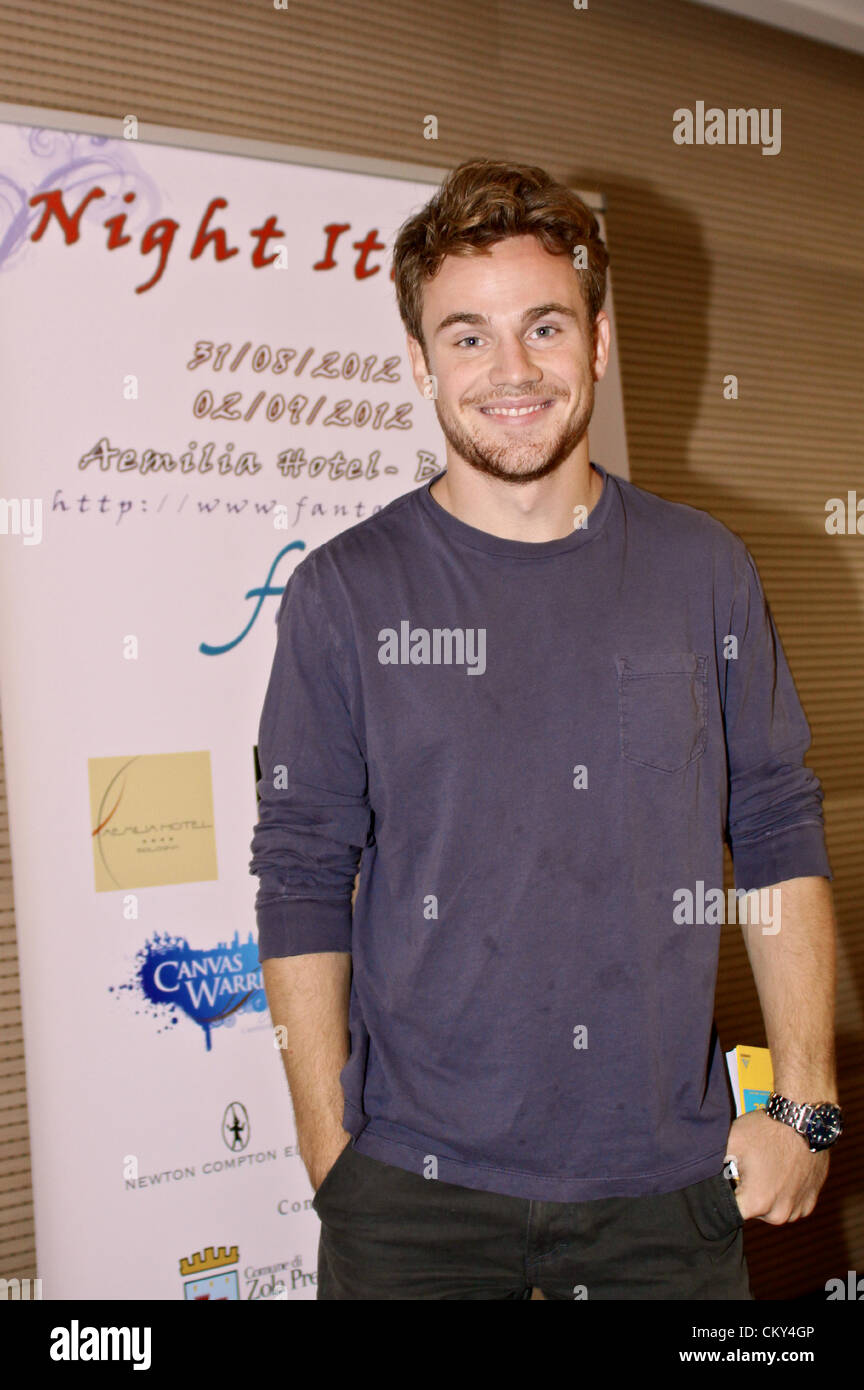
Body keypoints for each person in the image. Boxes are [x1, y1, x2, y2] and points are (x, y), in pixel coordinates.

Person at [249, 158, 842, 1301]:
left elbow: (774, 831)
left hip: (665, 1187)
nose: (510, 370)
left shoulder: (703, 570)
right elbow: (302, 873)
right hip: (413, 1202)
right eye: (466, 337)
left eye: (544, 326)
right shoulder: (343, 594)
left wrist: (804, 1107)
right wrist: (334, 1161)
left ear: (600, 340)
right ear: (420, 363)